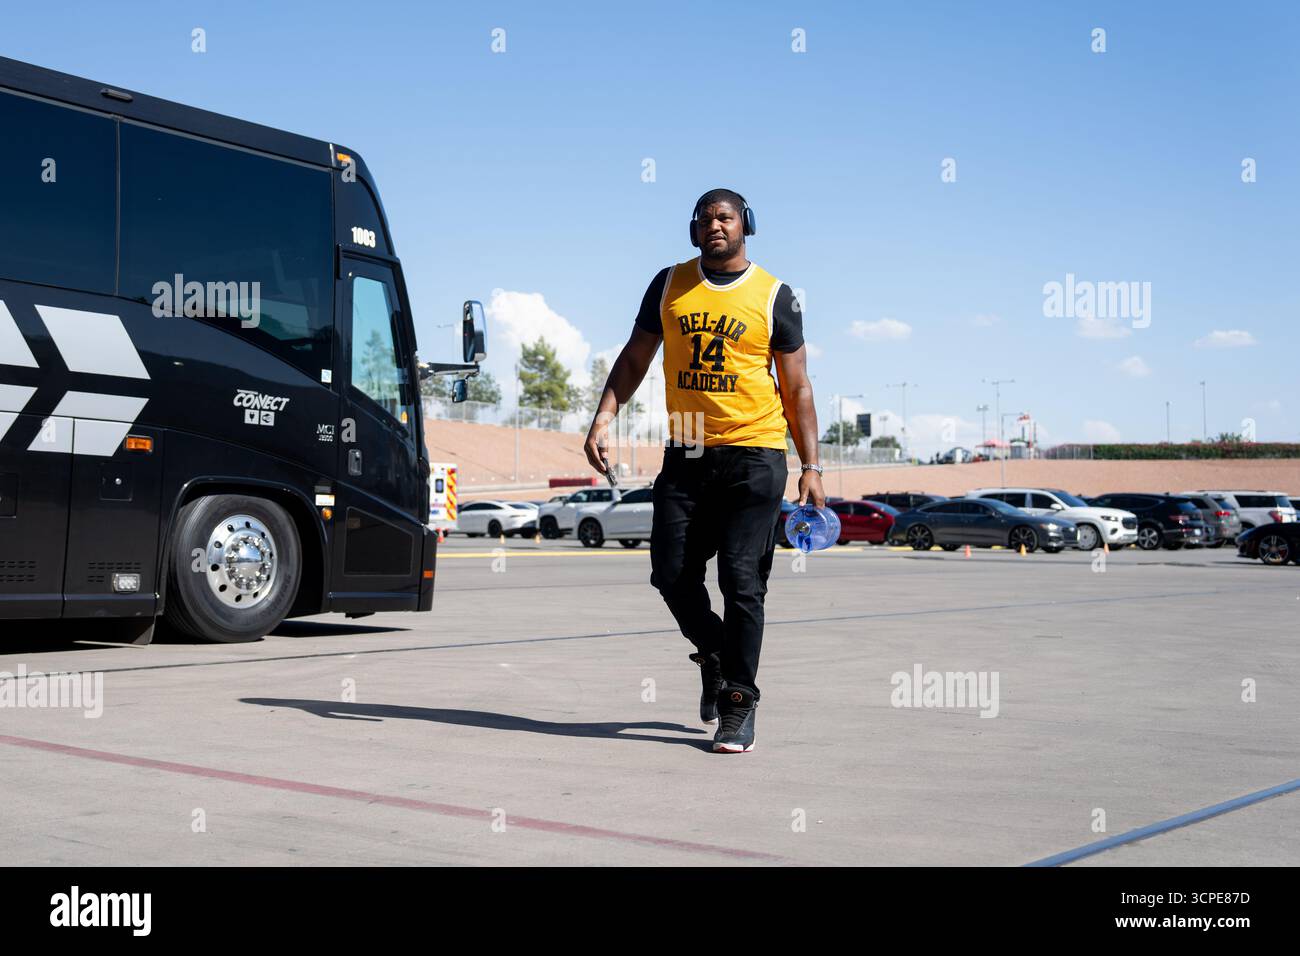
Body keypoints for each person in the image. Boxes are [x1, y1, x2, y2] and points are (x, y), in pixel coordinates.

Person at [584, 187, 824, 753]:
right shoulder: (668, 284)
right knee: (670, 573)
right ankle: (714, 654)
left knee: (742, 581)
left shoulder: (774, 295)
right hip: (687, 447)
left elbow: (797, 386)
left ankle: (738, 702)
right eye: (706, 218)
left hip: (755, 450)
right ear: (694, 230)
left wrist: (812, 463)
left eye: (726, 217)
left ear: (746, 225)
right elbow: (635, 357)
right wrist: (603, 418)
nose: (716, 226)